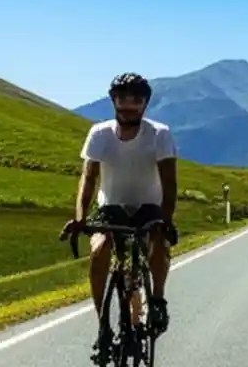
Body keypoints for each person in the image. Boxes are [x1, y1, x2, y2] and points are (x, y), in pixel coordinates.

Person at [59, 72, 178, 345]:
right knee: (99, 249)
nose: (129, 105)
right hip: (111, 206)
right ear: (113, 100)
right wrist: (79, 218)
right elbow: (88, 178)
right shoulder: (99, 133)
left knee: (158, 243)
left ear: (145, 103)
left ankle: (157, 299)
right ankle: (103, 324)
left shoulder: (159, 134)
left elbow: (169, 183)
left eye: (136, 99)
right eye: (123, 99)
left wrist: (166, 219)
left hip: (149, 206)